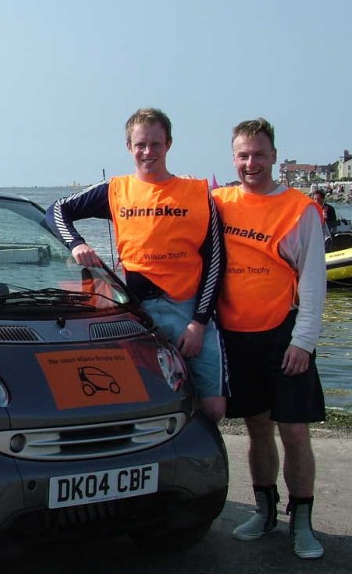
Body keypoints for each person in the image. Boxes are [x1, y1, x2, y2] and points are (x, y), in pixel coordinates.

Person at [45, 108, 227, 422]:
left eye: (156, 144)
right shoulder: (117, 191)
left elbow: (215, 264)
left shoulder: (198, 194)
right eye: (140, 145)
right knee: (139, 403)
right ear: (129, 147)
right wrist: (77, 244)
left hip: (188, 311)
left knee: (214, 409)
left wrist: (198, 323)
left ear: (169, 144)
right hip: (136, 312)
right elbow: (56, 210)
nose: (148, 152)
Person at [212, 119, 326, 560]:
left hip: (285, 337)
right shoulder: (219, 202)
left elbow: (314, 282)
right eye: (242, 155)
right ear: (233, 158)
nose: (250, 163)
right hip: (237, 337)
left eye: (259, 154)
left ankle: (303, 521)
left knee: (295, 433)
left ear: (275, 156)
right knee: (258, 429)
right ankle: (265, 511)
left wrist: (304, 341)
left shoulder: (299, 209)